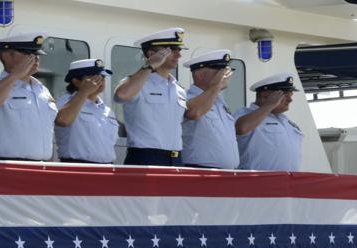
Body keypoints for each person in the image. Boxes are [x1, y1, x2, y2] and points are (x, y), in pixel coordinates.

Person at [0, 31, 55, 161]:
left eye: (37, 54)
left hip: (42, 167)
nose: (36, 58)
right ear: (7, 55)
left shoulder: (42, 90)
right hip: (6, 166)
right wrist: (14, 76)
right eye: (29, 54)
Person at [111, 27, 186, 166]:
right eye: (171, 50)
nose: (178, 55)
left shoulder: (179, 89)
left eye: (179, 50)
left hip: (176, 159)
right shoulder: (137, 82)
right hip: (146, 157)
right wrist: (149, 66)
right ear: (151, 53)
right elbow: (121, 95)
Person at [179, 49, 237, 169]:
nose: (226, 75)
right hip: (199, 171)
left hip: (226, 173)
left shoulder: (220, 102)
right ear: (200, 74)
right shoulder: (186, 97)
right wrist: (216, 86)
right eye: (221, 71)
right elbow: (194, 112)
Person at [236, 72, 304, 171]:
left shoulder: (286, 121)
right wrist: (269, 105)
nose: (290, 100)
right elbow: (240, 128)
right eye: (285, 94)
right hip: (258, 181)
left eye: (291, 94)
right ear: (264, 95)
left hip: (289, 182)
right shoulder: (245, 114)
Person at [52, 58, 115, 164]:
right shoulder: (65, 102)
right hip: (78, 166)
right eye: (94, 77)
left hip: (106, 168)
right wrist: (84, 92)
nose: (101, 80)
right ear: (76, 81)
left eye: (102, 77)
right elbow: (62, 120)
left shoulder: (105, 109)